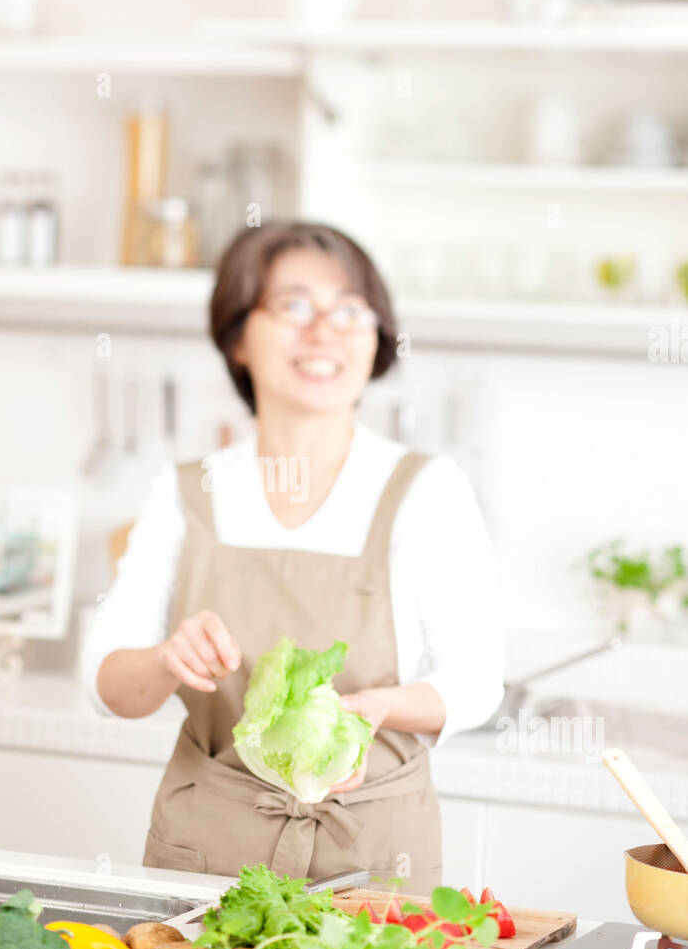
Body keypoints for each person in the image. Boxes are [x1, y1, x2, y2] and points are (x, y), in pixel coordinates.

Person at [81, 221, 504, 890]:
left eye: (350, 310)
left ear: (376, 339)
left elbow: (477, 682)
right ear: (237, 337)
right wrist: (166, 662)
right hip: (206, 855)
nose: (325, 331)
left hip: (375, 857)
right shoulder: (188, 490)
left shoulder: (426, 488)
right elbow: (104, 681)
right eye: (294, 306)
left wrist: (372, 710)